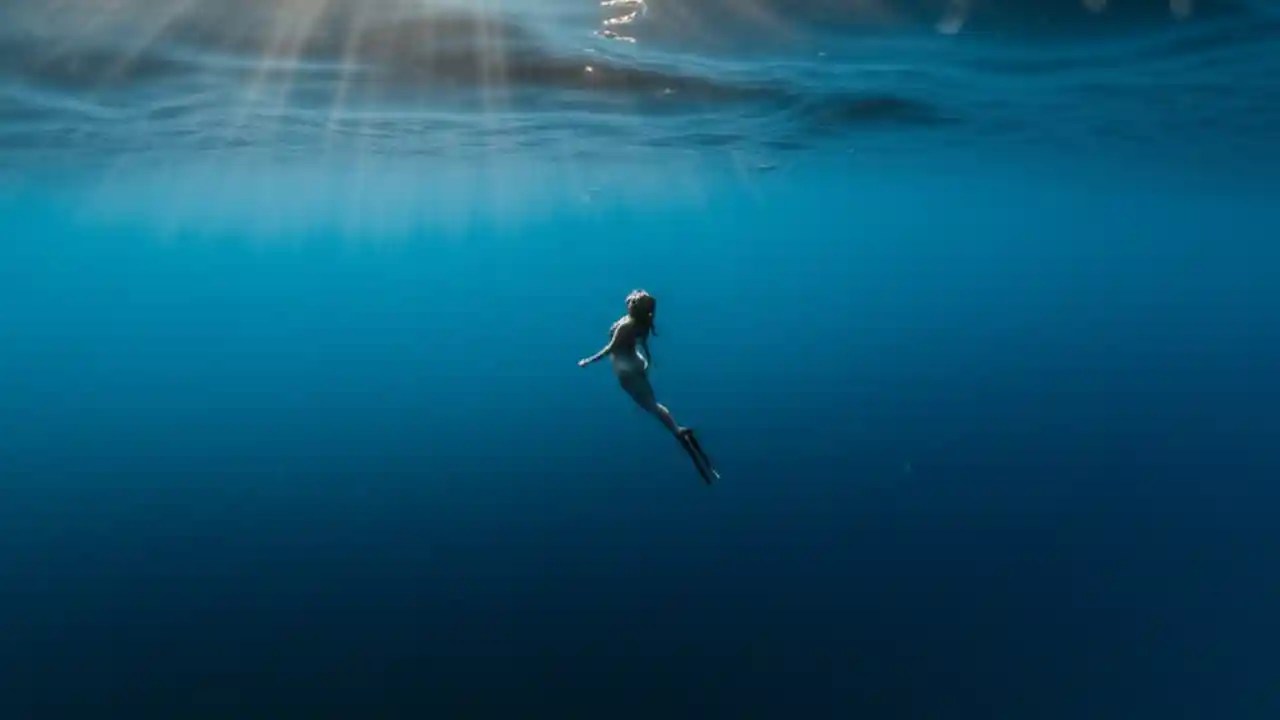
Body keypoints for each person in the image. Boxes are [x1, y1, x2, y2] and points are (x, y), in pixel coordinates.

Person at [578, 289, 719, 483]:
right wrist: (649, 362)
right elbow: (643, 346)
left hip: (625, 369)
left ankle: (679, 433)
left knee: (650, 406)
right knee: (652, 403)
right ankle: (680, 433)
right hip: (637, 363)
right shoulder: (643, 324)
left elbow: (610, 348)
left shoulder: (626, 325)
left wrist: (588, 360)